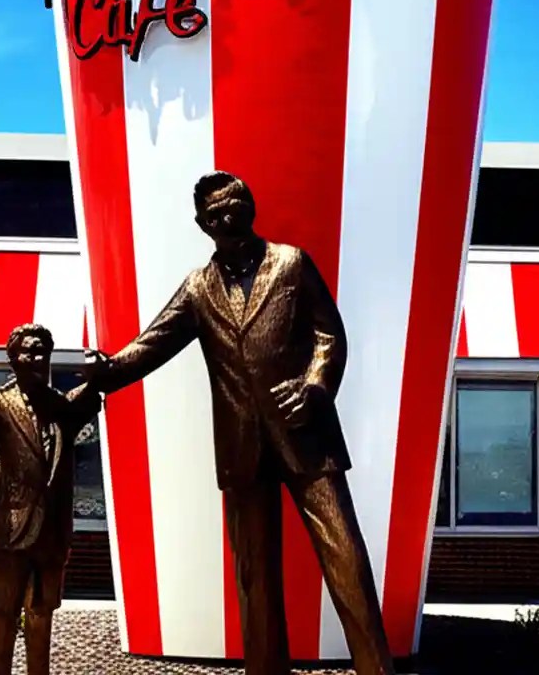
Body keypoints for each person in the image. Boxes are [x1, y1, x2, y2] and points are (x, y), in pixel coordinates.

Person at [84, 171, 395, 674]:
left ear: (250, 207)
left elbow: (329, 336)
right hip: (241, 446)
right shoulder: (198, 288)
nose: (227, 217)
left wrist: (315, 387)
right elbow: (153, 343)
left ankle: (375, 669)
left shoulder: (291, 264)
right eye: (215, 213)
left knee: (344, 558)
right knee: (254, 574)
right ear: (202, 224)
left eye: (234, 205)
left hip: (305, 433)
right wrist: (109, 371)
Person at [0, 323, 100, 675]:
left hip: (51, 532)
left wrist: (99, 373)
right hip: (12, 529)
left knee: (41, 615)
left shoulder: (59, 405)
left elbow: (95, 392)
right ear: (12, 358)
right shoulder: (0, 405)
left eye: (42, 352)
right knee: (5, 614)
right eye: (29, 351)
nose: (36, 358)